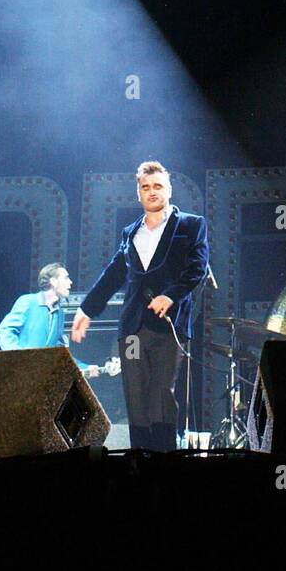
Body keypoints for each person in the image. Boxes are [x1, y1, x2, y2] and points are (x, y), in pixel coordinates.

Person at [71, 160, 209, 452]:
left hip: (168, 325)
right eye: (145, 187)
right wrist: (87, 310)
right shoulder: (130, 232)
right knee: (136, 400)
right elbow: (113, 274)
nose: (152, 192)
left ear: (169, 190)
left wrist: (170, 295)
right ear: (138, 194)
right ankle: (140, 462)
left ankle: (164, 459)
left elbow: (197, 268)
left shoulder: (190, 224)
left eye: (157, 186)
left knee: (161, 396)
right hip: (133, 327)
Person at [0, 263, 100, 379]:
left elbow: (58, 351)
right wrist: (21, 358)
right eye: (66, 278)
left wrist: (83, 367)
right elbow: (4, 331)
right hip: (20, 375)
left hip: (41, 377)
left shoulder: (59, 313)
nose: (70, 282)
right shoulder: (28, 302)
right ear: (53, 281)